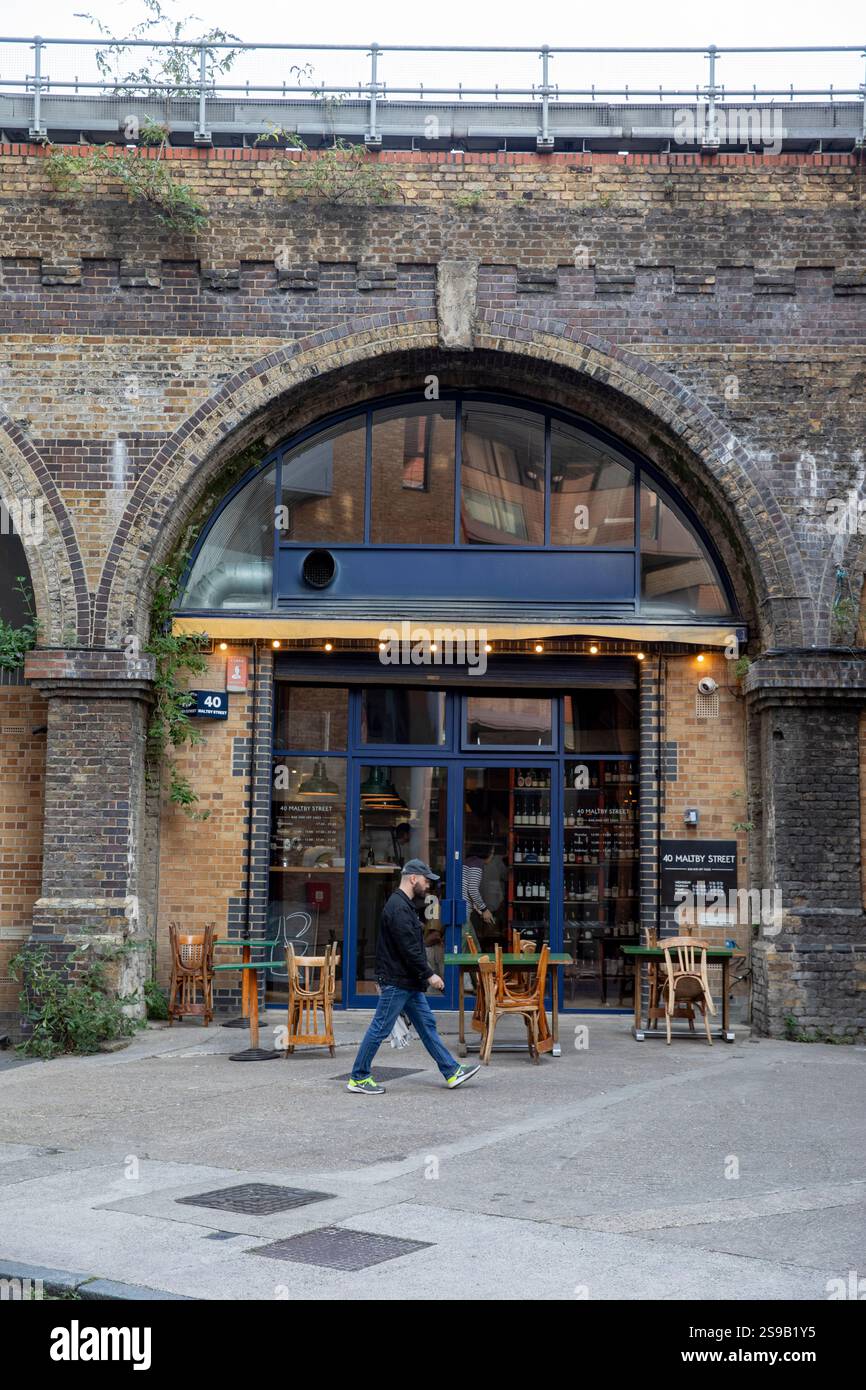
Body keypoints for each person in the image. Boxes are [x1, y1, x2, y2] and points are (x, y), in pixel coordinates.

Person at [348, 859, 480, 1095]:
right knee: (380, 1027)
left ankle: (451, 1071)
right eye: (425, 879)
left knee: (427, 1025)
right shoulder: (398, 907)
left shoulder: (403, 904)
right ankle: (359, 1077)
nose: (428, 884)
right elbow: (408, 948)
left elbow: (410, 947)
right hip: (398, 981)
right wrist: (430, 975)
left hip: (407, 982)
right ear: (412, 878)